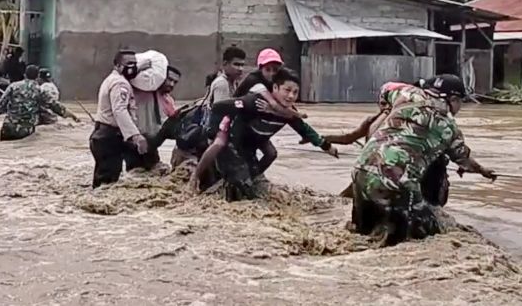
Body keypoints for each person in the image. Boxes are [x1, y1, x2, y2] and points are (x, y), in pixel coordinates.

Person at [351, 74, 497, 246]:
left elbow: (385, 88)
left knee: (359, 232)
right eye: (460, 102)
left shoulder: (406, 92)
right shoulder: (449, 128)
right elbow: (464, 160)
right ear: (453, 99)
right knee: (428, 234)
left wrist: (388, 109)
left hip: (360, 170)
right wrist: (483, 171)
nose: (460, 107)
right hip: (398, 181)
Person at [192, 68, 346, 200]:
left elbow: (306, 130)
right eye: (287, 90)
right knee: (243, 187)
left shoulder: (289, 114)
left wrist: (328, 148)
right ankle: (196, 181)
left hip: (250, 148)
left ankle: (251, 177)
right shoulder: (256, 103)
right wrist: (214, 134)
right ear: (275, 88)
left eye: (295, 92)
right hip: (231, 144)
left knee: (270, 155)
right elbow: (219, 106)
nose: (291, 96)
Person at [89, 49, 148, 188]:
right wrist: (136, 136)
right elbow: (120, 110)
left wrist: (141, 67)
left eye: (134, 64)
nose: (132, 67)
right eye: (128, 64)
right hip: (109, 138)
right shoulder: (120, 84)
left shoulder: (112, 79)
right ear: (117, 65)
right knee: (107, 183)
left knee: (103, 180)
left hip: (102, 134)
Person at [0, 65, 79, 141]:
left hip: (7, 129)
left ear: (24, 75)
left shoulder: (13, 86)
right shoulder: (39, 91)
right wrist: (73, 115)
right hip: (25, 131)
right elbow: (55, 106)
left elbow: (1, 105)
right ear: (37, 77)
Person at [131, 66, 182, 171]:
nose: (172, 84)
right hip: (136, 142)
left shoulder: (168, 100)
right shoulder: (144, 92)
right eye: (169, 80)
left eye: (175, 82)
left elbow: (171, 125)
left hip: (153, 145)